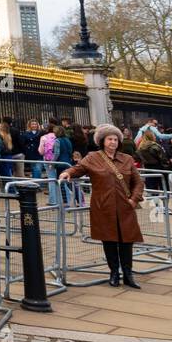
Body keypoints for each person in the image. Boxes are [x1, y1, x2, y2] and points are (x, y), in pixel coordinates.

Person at [58, 124, 146, 289]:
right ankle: (114, 273)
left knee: (127, 241)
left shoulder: (126, 159)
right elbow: (79, 168)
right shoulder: (93, 157)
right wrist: (68, 172)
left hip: (125, 207)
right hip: (103, 206)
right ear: (102, 141)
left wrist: (134, 200)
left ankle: (128, 274)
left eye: (115, 139)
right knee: (109, 240)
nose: (113, 142)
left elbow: (138, 182)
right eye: (109, 139)